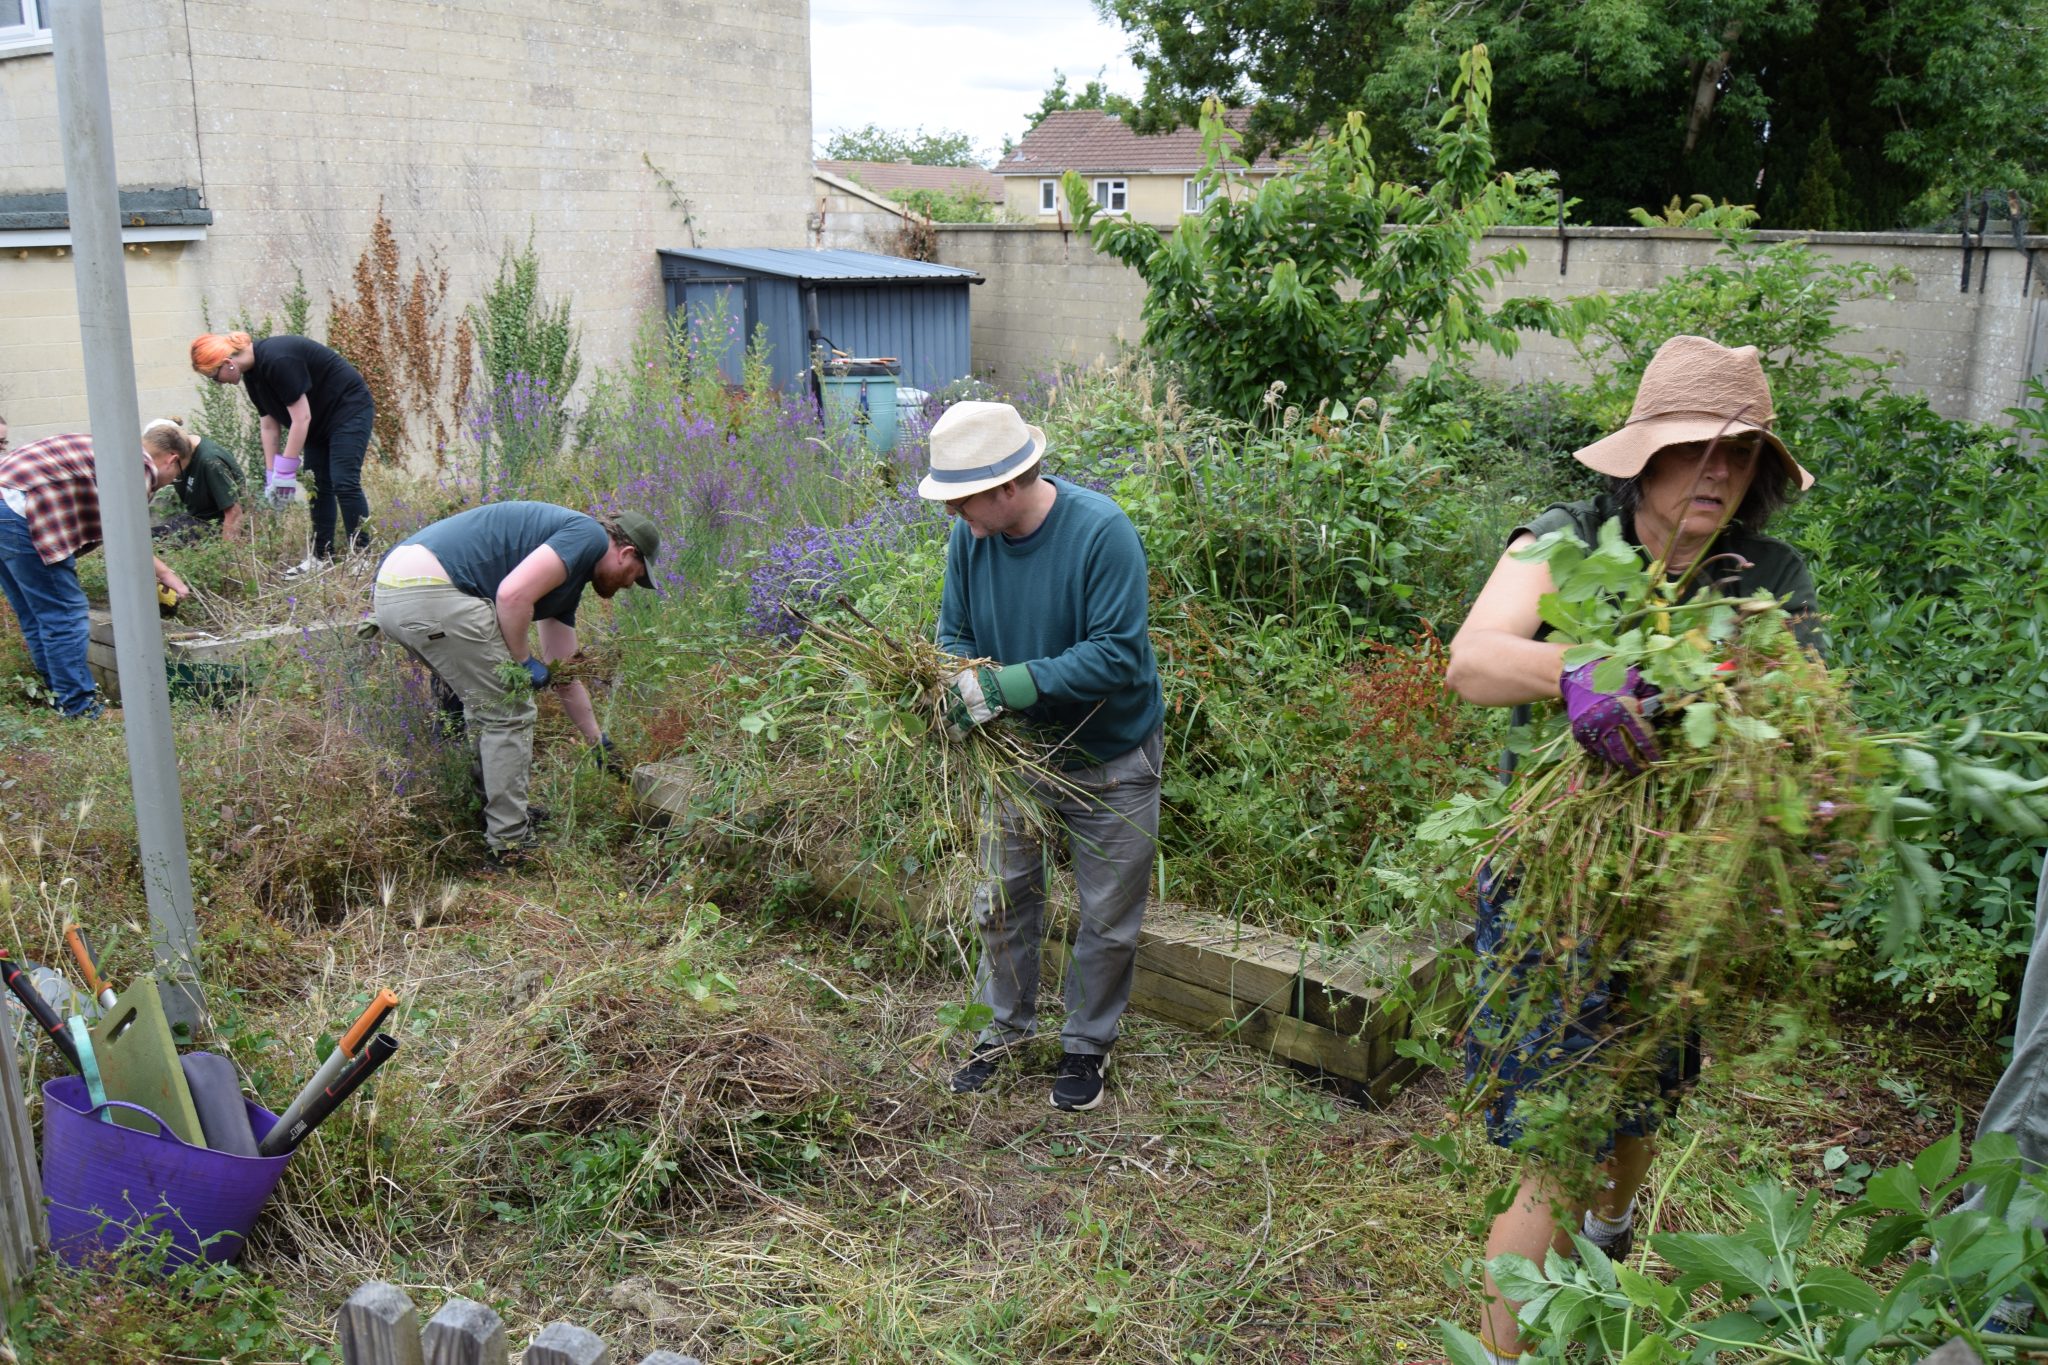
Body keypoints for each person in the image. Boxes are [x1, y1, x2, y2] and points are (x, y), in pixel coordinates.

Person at [1444, 335, 1820, 1365]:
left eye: (1738, 455)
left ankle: (1609, 1237)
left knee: (1643, 1094)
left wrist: (1802, 791)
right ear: (1643, 456)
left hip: (1676, 898)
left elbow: (1799, 721)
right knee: (1553, 1147)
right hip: (1553, 892)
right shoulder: (1567, 537)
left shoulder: (1767, 574)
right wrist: (1589, 668)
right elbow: (1472, 662)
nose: (1716, 472)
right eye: (1695, 447)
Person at [923, 400, 1165, 1113]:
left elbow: (1116, 654)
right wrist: (956, 681)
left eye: (961, 499)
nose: (952, 514)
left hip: (1111, 753)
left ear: (1006, 486)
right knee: (1002, 899)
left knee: (1106, 915)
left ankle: (1086, 1044)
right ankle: (1002, 1029)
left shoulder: (1101, 534)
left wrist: (1011, 684)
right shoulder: (972, 540)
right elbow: (955, 629)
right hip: (1021, 753)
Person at [371, 501, 656, 863]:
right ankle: (509, 844)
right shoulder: (588, 536)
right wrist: (522, 662)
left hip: (397, 591)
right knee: (509, 712)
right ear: (626, 552)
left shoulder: (565, 579)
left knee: (488, 707)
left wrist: (596, 741)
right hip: (434, 590)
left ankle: (497, 816)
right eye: (636, 574)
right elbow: (512, 595)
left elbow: (564, 674)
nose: (632, 585)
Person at [0, 432, 193, 717]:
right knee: (65, 614)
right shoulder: (139, 465)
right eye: (177, 475)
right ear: (172, 460)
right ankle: (80, 709)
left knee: (35, 614)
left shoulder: (113, 446)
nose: (168, 483)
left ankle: (59, 697)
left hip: (6, 501)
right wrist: (166, 573)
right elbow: (126, 531)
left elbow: (111, 529)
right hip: (21, 512)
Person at [189, 331, 375, 574]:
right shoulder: (252, 375)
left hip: (348, 410)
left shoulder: (278, 360)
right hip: (318, 421)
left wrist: (286, 473)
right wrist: (272, 475)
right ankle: (321, 556)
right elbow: (269, 426)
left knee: (343, 480)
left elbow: (301, 418)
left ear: (228, 364)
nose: (218, 383)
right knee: (316, 485)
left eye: (215, 376)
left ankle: (361, 556)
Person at [141, 417, 246, 543]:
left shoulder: (210, 461)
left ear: (171, 459)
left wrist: (227, 557)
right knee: (151, 537)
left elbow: (234, 513)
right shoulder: (180, 454)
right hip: (193, 519)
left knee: (150, 543)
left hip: (214, 528)